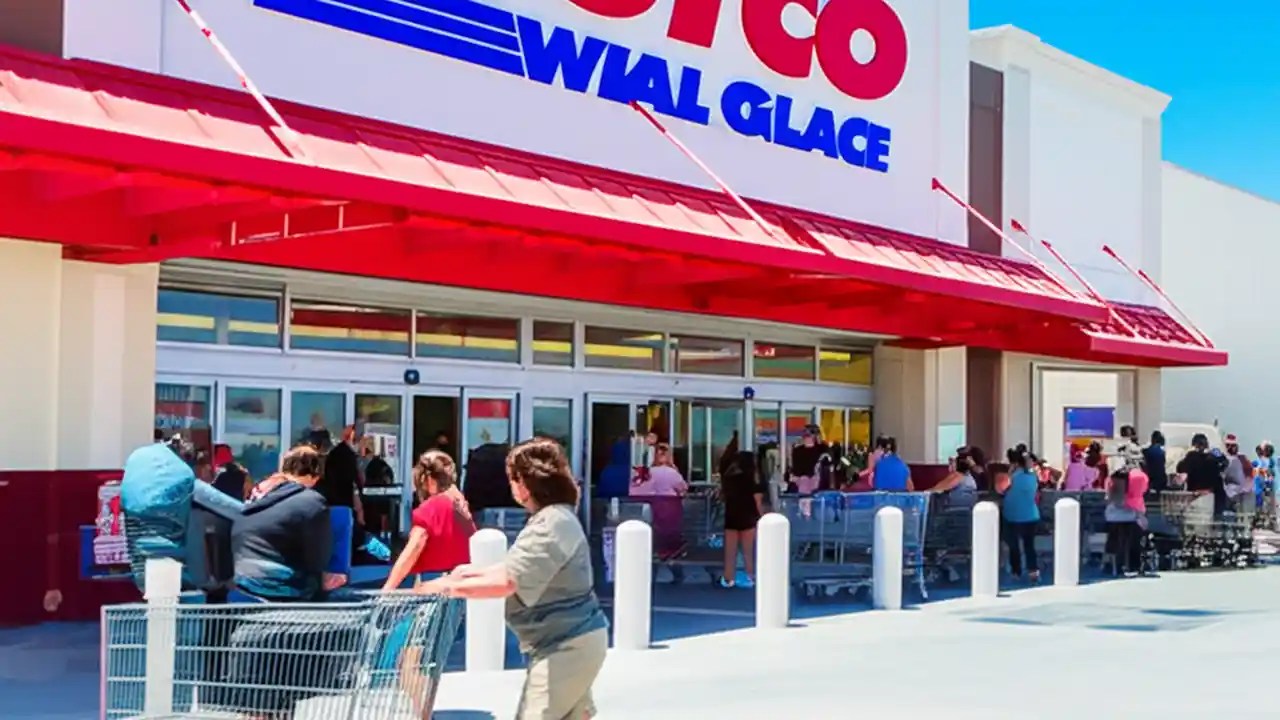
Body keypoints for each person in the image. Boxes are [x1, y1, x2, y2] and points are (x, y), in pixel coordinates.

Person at [418, 438, 608, 720]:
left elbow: (508, 581)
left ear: (525, 482)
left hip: (565, 645)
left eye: (512, 479)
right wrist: (465, 574)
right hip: (566, 642)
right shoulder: (554, 518)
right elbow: (514, 568)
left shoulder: (552, 523)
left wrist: (446, 587)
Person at [232, 445, 345, 601]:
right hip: (279, 585)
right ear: (315, 476)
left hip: (240, 578)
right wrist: (323, 578)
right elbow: (317, 558)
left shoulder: (260, 493)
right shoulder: (311, 502)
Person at [382, 450, 475, 591]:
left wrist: (388, 589)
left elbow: (415, 546)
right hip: (464, 586)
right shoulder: (462, 509)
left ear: (429, 480)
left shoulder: (431, 508)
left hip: (434, 587)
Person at [719, 450, 763, 589]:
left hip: (731, 514)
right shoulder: (753, 478)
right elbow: (758, 500)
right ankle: (750, 576)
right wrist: (761, 516)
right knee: (748, 550)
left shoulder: (728, 477)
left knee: (730, 550)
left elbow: (723, 496)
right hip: (748, 515)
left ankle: (728, 578)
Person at [998, 447, 1041, 583]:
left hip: (1012, 515)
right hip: (1031, 515)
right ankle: (1033, 572)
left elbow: (1001, 489)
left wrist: (1009, 473)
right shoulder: (1033, 476)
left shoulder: (1012, 477)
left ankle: (1016, 572)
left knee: (1014, 546)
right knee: (1029, 546)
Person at [1104, 467, 1150, 576]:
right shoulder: (1131, 493)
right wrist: (1138, 514)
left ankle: (1111, 564)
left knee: (1116, 539)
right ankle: (1134, 564)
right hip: (1127, 519)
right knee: (1133, 535)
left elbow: (1112, 501)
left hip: (1112, 518)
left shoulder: (1114, 487)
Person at [1177, 433, 1228, 514]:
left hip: (1195, 494)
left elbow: (1180, 469)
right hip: (1213, 495)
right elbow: (1225, 463)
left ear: (1195, 445)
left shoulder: (1191, 457)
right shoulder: (1214, 456)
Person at [789, 425, 826, 495]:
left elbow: (826, 464)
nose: (805, 437)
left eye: (808, 435)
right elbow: (795, 467)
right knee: (804, 482)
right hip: (802, 479)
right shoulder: (798, 450)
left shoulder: (822, 449)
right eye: (805, 435)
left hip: (817, 479)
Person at [1222, 433, 1253, 511]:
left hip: (1240, 494)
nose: (1230, 447)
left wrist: (1246, 490)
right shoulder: (1222, 458)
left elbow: (1250, 475)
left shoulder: (1242, 458)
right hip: (1226, 493)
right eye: (1228, 445)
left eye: (1233, 445)